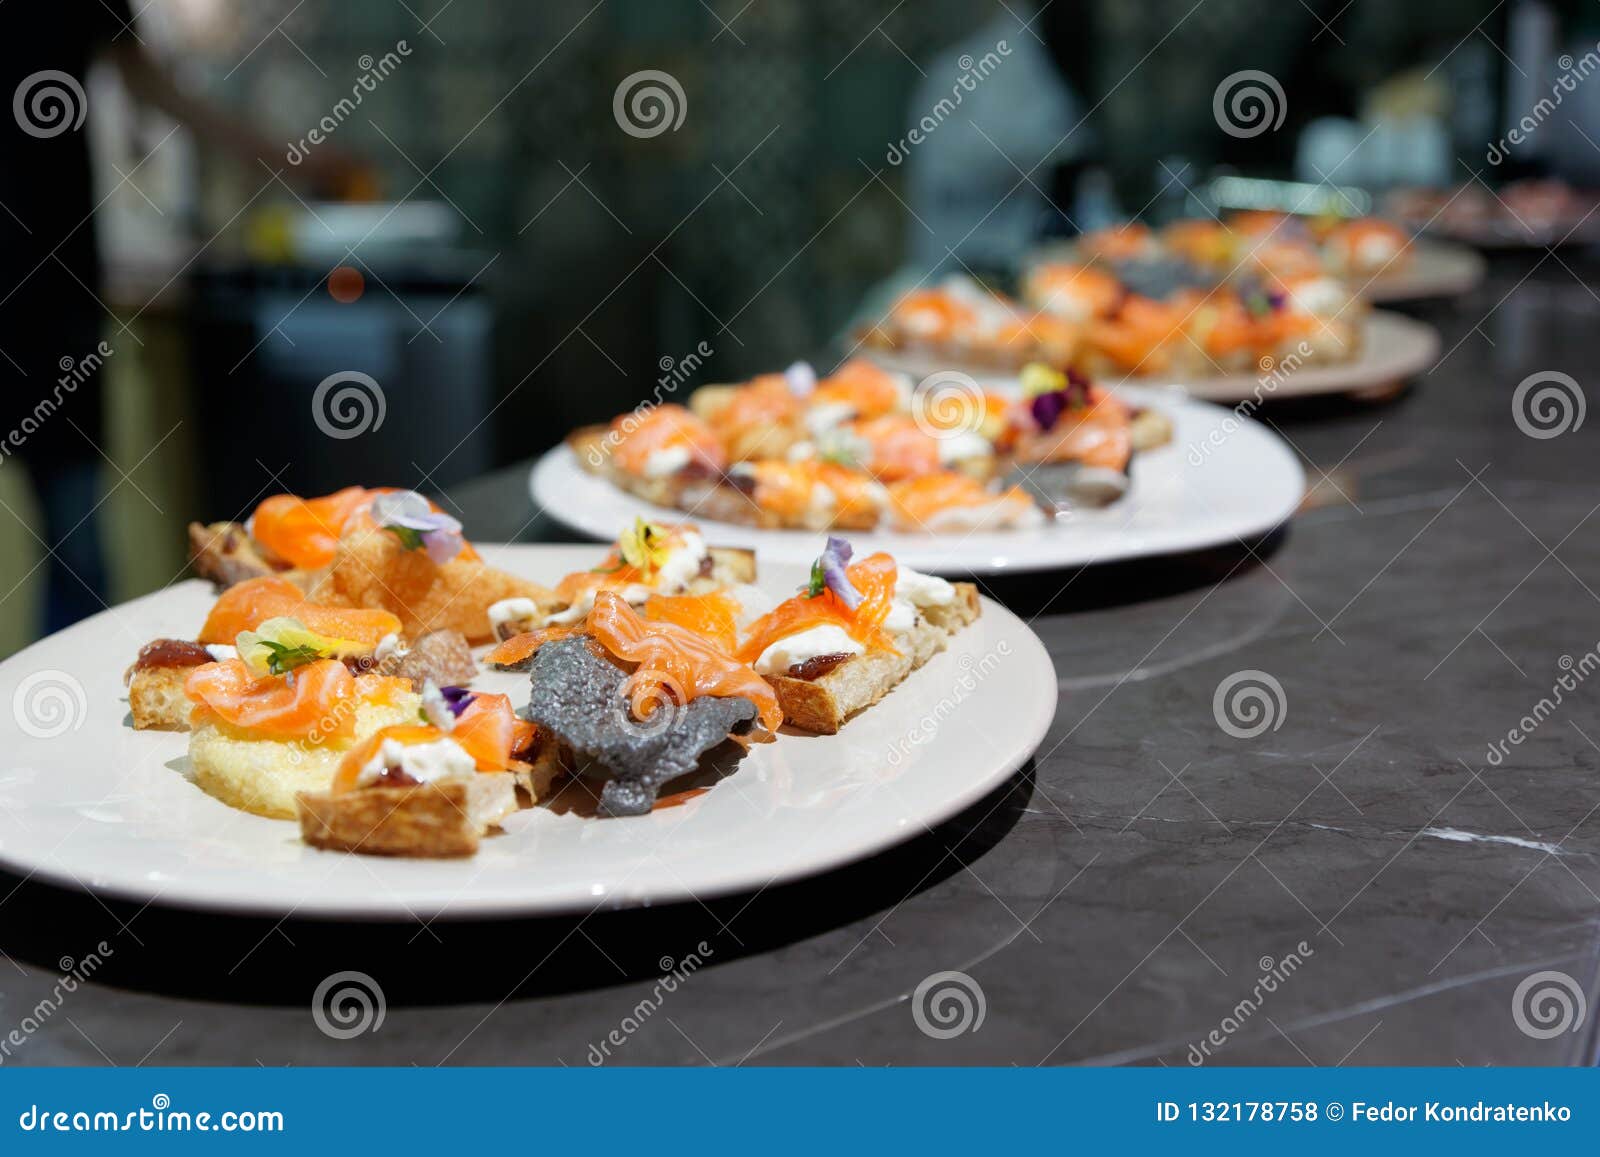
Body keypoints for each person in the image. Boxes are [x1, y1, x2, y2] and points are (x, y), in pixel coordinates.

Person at [0, 2, 351, 633]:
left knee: (73, 539)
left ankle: (60, 712)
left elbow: (149, 82)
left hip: (51, 285)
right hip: (50, 284)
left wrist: (276, 152)